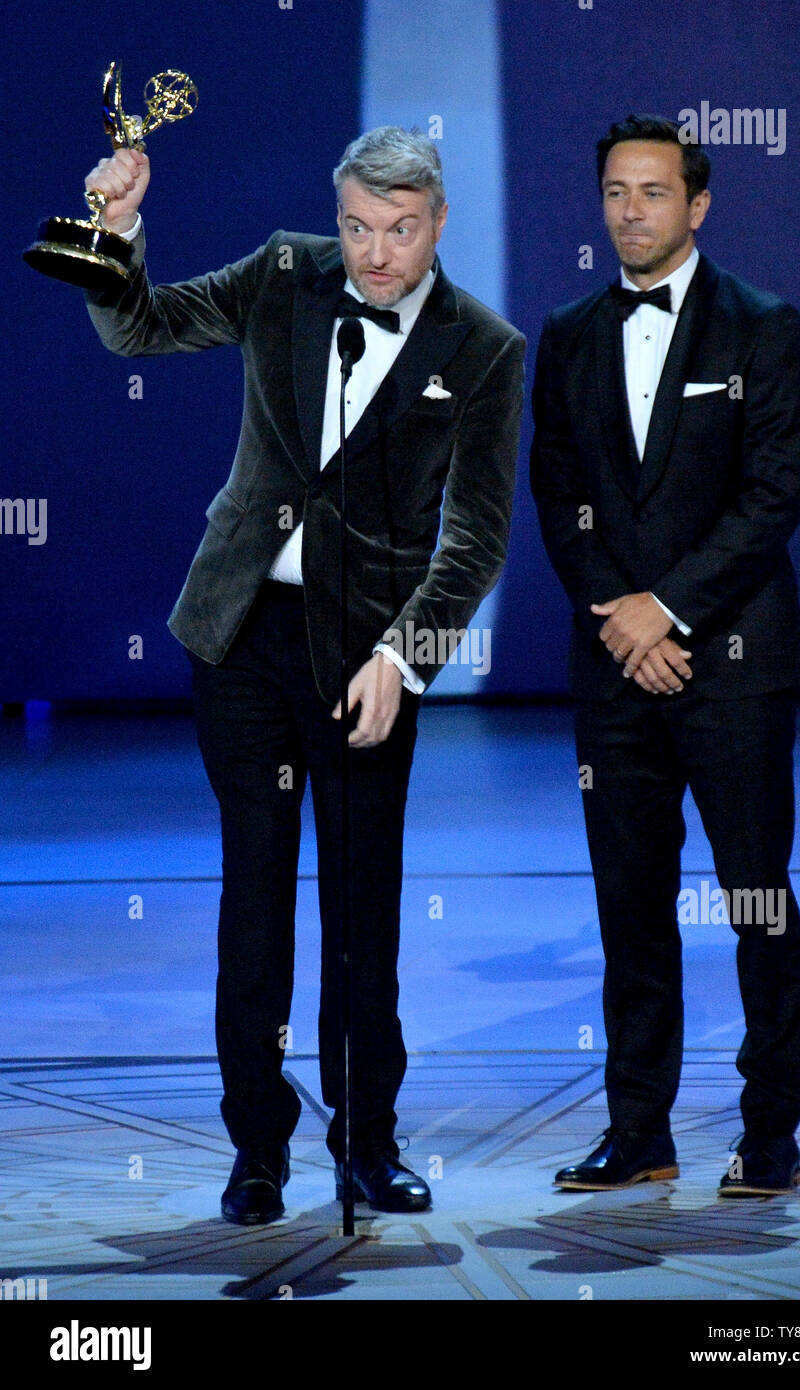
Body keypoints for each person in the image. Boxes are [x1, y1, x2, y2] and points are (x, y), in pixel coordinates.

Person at [83, 126, 524, 1223]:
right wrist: (119, 229)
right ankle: (257, 1147)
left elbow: (473, 540)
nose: (374, 254)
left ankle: (365, 1138)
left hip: (367, 656)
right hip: (240, 636)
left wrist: (405, 656)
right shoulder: (285, 271)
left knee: (362, 907)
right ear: (336, 217)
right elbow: (143, 328)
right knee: (254, 899)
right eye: (357, 227)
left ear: (437, 224)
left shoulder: (482, 349)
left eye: (399, 230)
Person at [530, 114, 800, 1198]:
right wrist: (620, 615)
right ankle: (637, 1131)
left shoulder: (760, 325)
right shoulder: (564, 331)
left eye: (651, 192)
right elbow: (556, 493)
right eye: (614, 191)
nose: (629, 211)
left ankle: (769, 1134)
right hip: (613, 668)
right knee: (628, 907)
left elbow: (770, 497)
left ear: (696, 205)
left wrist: (668, 611)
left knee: (754, 900)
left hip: (730, 664)